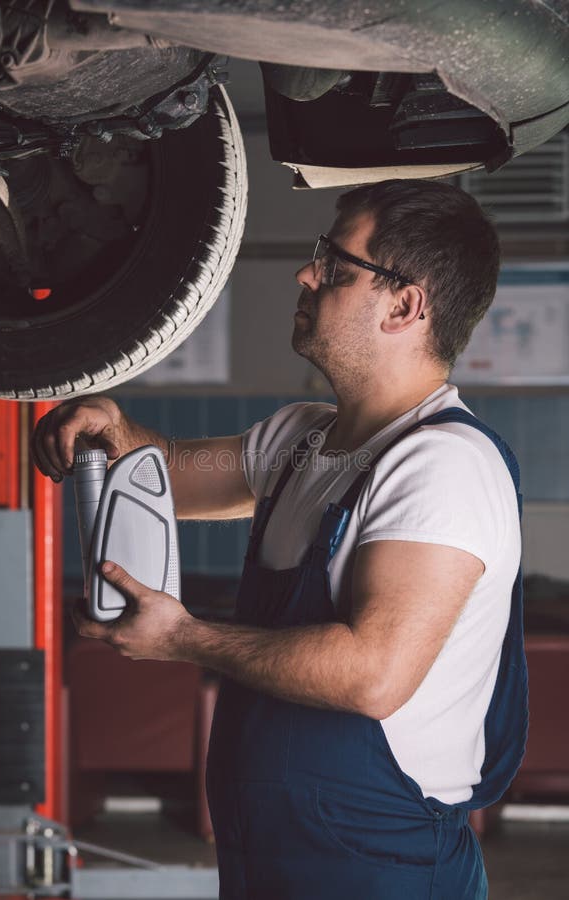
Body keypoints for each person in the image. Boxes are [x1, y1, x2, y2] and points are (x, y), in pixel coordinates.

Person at [32, 179, 528, 900]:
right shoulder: (302, 438)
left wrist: (185, 639)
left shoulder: (441, 464)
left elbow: (371, 675)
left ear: (405, 305)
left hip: (377, 864)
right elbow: (167, 470)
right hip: (271, 854)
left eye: (335, 264)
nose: (306, 275)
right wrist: (109, 428)